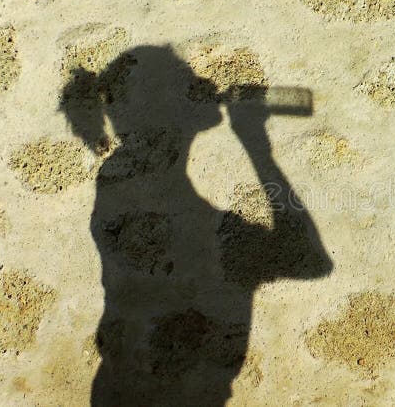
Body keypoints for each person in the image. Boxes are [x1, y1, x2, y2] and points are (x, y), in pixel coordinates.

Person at [60, 45, 332, 406]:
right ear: (160, 105)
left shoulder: (120, 178)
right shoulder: (139, 190)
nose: (205, 85)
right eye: (191, 81)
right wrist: (256, 147)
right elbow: (311, 261)